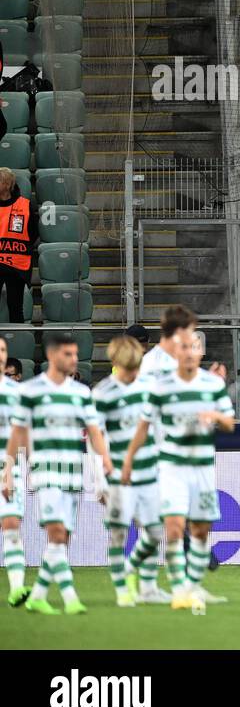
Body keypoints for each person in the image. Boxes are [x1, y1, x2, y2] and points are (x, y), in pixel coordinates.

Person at [2, 332, 112, 615]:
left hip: (72, 472)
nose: (75, 360)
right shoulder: (32, 391)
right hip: (46, 471)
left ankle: (37, 594)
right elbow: (18, 433)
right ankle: (70, 597)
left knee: (61, 539)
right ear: (52, 356)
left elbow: (94, 432)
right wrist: (12, 467)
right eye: (69, 354)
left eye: (76, 354)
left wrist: (104, 462)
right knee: (57, 531)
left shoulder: (81, 392)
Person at [134, 323, 235, 611]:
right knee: (163, 523)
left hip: (180, 455)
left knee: (176, 522)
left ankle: (181, 586)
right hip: (162, 454)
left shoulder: (167, 365)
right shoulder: (155, 366)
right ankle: (150, 584)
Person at [0, 336, 27, 605]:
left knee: (11, 526)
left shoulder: (17, 393)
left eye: (3, 350)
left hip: (9, 467)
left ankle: (17, 588)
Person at [0, 167, 34, 325]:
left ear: (7, 184)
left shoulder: (25, 205)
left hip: (16, 264)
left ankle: (17, 344)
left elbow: (33, 232)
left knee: (15, 307)